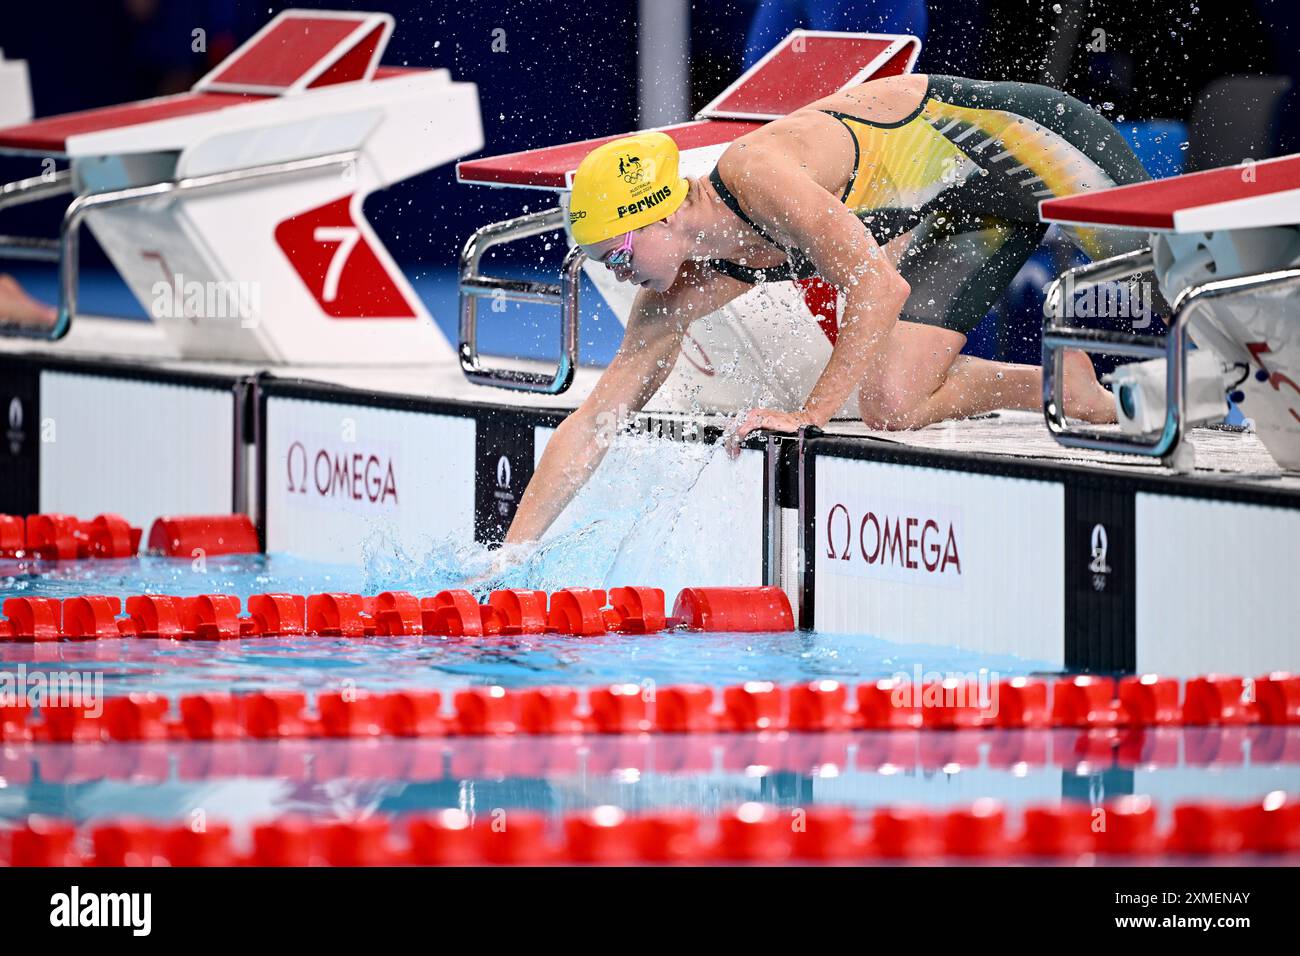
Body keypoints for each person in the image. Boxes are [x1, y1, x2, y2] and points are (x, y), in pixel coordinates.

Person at [504, 72, 1151, 547]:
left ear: (662, 212)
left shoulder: (757, 174)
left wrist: (809, 414)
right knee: (891, 402)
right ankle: (1056, 385)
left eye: (615, 252)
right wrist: (514, 555)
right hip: (965, 209)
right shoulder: (680, 287)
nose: (612, 271)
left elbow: (878, 288)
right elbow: (594, 422)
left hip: (1036, 144)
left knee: (1168, 292)